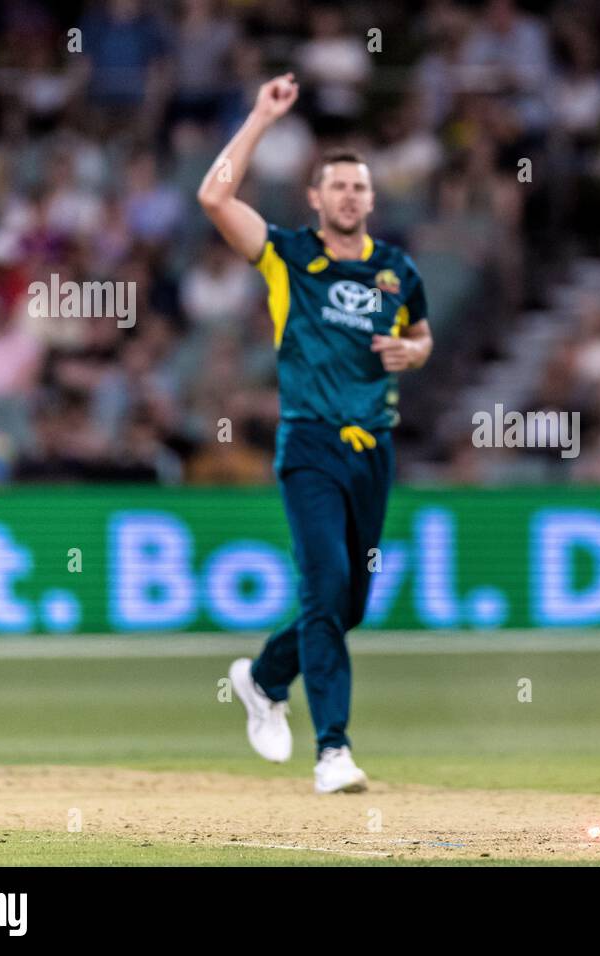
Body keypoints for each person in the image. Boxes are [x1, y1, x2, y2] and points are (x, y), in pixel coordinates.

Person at [198, 73, 433, 794]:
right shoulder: (288, 256)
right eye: (336, 187)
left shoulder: (398, 271)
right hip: (309, 445)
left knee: (350, 603)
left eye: (359, 187)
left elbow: (421, 336)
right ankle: (334, 749)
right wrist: (261, 117)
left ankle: (265, 679)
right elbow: (213, 197)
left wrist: (413, 353)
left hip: (374, 451)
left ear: (372, 197)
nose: (350, 197)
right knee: (325, 586)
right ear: (314, 198)